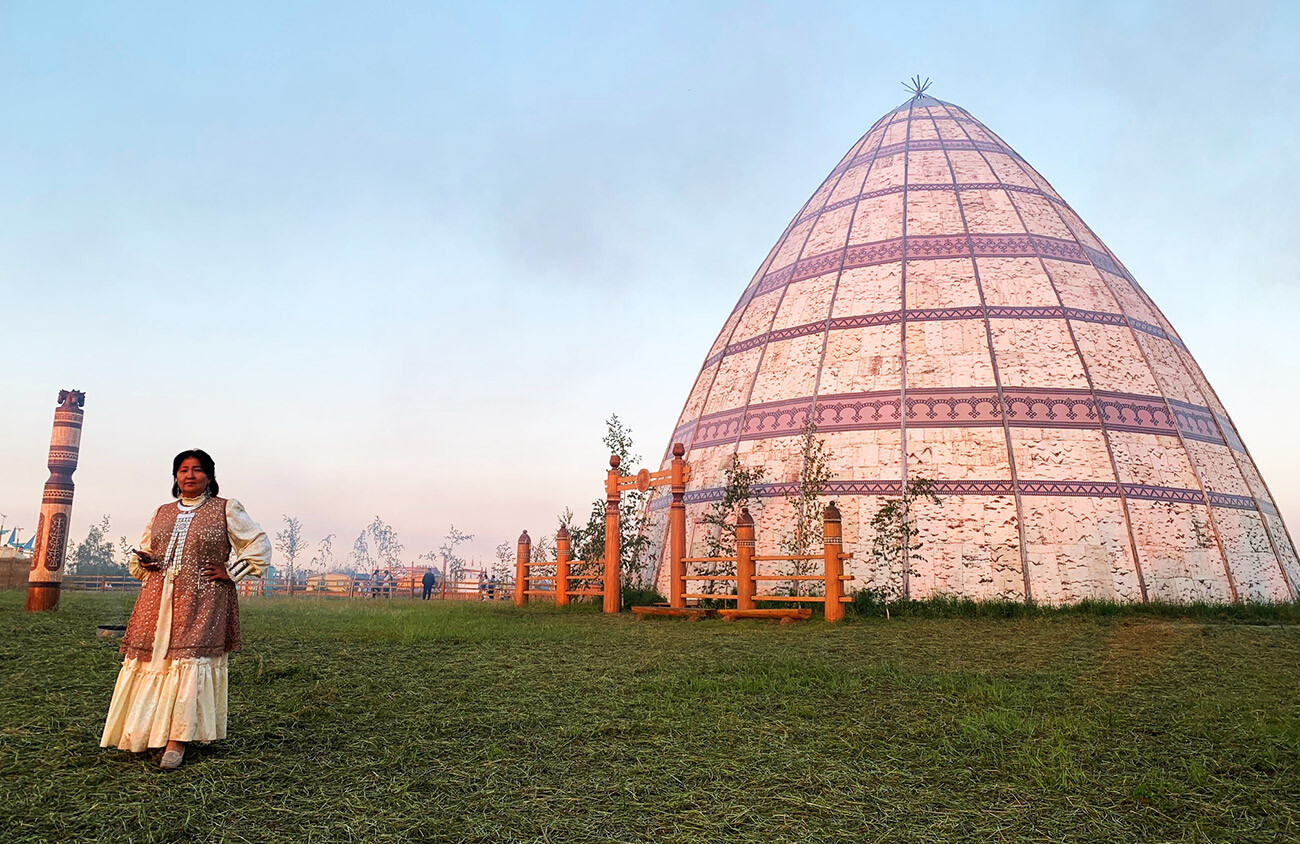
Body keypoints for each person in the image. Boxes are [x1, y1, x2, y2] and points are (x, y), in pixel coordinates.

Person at [100, 449, 271, 770]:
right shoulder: (162, 512)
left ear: (210, 476)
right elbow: (145, 553)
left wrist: (232, 572)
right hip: (157, 599)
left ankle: (177, 742)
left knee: (189, 663)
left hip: (204, 599)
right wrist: (144, 560)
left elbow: (258, 545)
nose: (189, 475)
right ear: (175, 476)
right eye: (182, 470)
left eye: (196, 470)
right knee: (156, 662)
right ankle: (146, 732)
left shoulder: (226, 509)